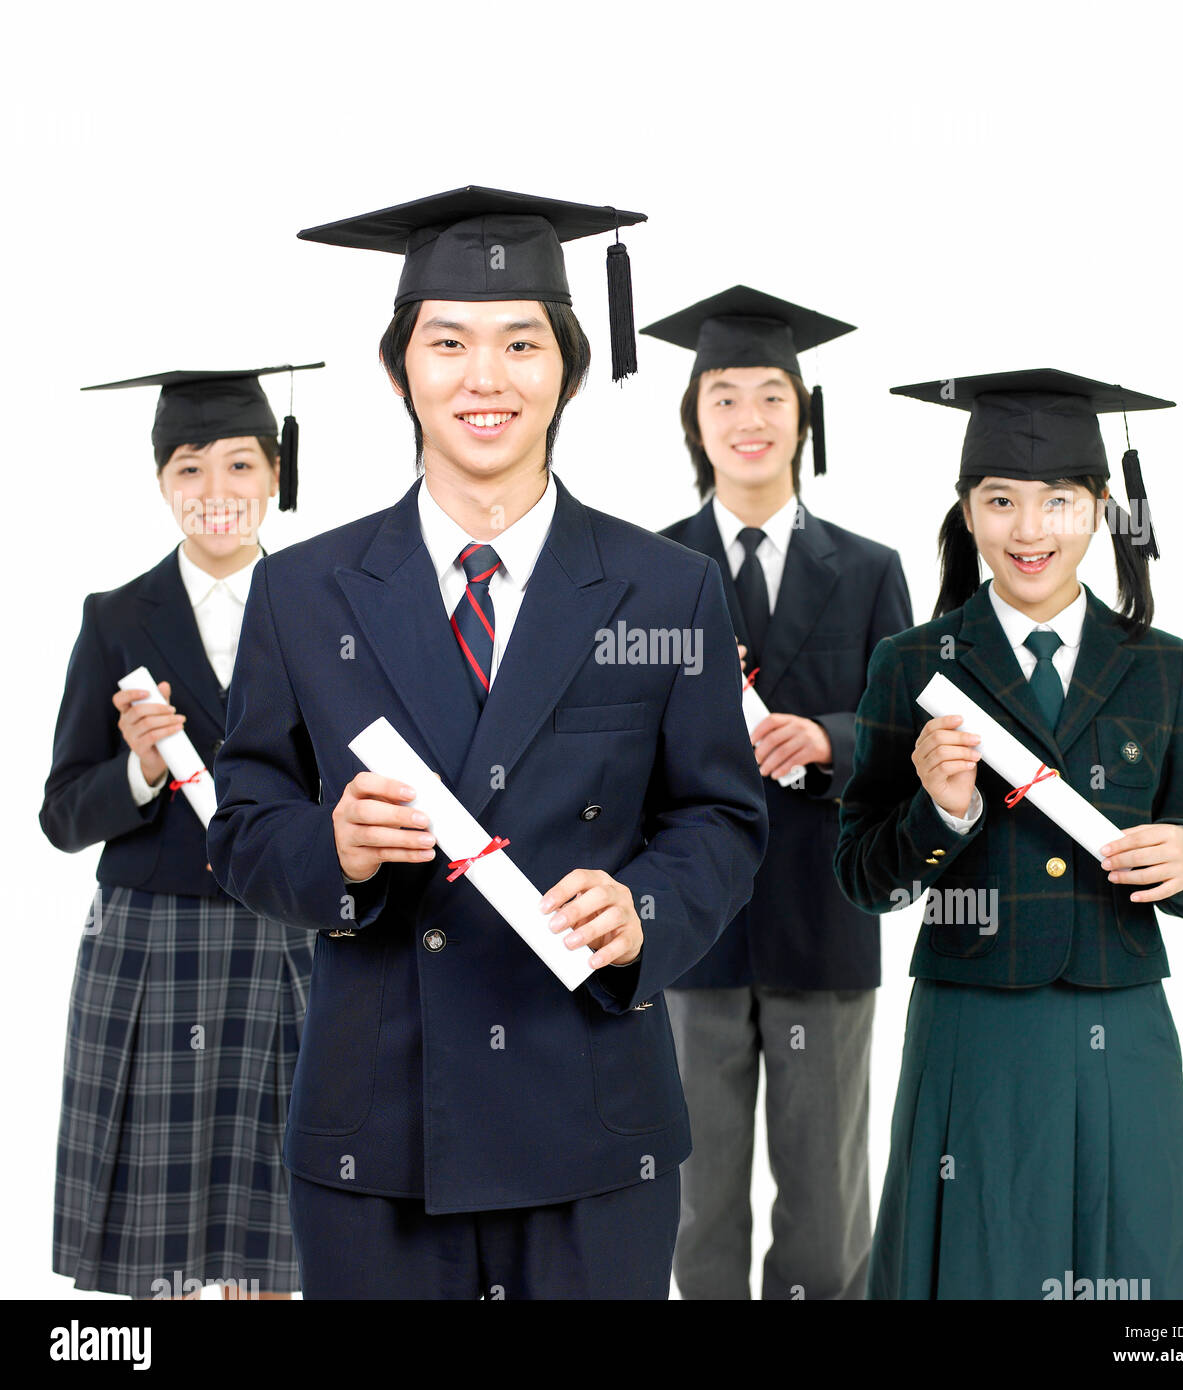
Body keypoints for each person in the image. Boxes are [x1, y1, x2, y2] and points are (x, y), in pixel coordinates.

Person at [206, 187, 769, 1300]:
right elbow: (240, 822)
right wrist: (337, 852)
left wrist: (641, 908)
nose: (484, 377)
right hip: (379, 1130)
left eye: (520, 343)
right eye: (447, 342)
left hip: (594, 1122)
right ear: (396, 369)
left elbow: (721, 818)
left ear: (564, 363)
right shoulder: (301, 590)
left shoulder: (668, 586)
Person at [835, 368, 1183, 1299]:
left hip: (1120, 1013)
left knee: (1130, 1251)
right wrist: (942, 812)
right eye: (1000, 500)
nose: (1028, 529)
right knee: (980, 1254)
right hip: (975, 1021)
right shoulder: (913, 663)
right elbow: (865, 878)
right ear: (967, 512)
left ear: (1100, 511)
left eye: (1058, 502)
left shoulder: (1163, 668)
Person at [643, 286, 912, 1298]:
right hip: (692, 925)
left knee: (826, 1201)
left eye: (770, 396)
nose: (747, 419)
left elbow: (911, 732)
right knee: (694, 1198)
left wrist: (829, 741)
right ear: (693, 421)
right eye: (722, 397)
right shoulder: (644, 572)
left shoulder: (869, 569)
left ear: (804, 416)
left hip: (823, 911)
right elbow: (606, 750)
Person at [41, 362, 322, 1299]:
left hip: (288, 930)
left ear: (275, 476)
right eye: (190, 470)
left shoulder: (330, 608)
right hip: (153, 941)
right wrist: (142, 769)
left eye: (240, 467)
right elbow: (62, 813)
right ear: (161, 482)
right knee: (158, 1239)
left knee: (278, 1223)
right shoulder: (117, 619)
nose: (217, 495)